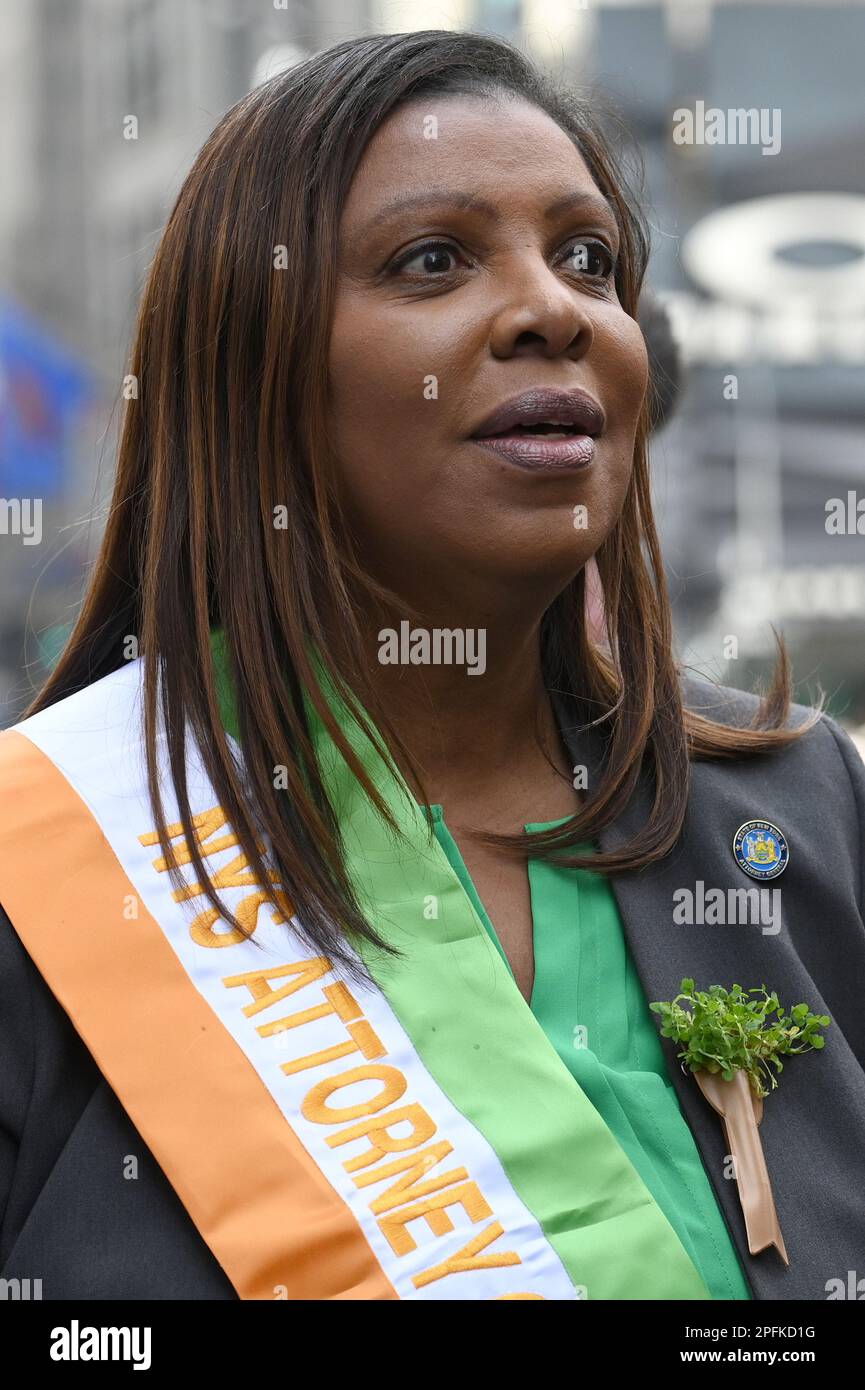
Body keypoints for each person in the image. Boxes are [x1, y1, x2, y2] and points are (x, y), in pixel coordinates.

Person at [1, 29, 863, 1303]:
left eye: (589, 258)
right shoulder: (48, 864)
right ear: (257, 375)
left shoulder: (796, 805)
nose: (552, 309)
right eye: (432, 260)